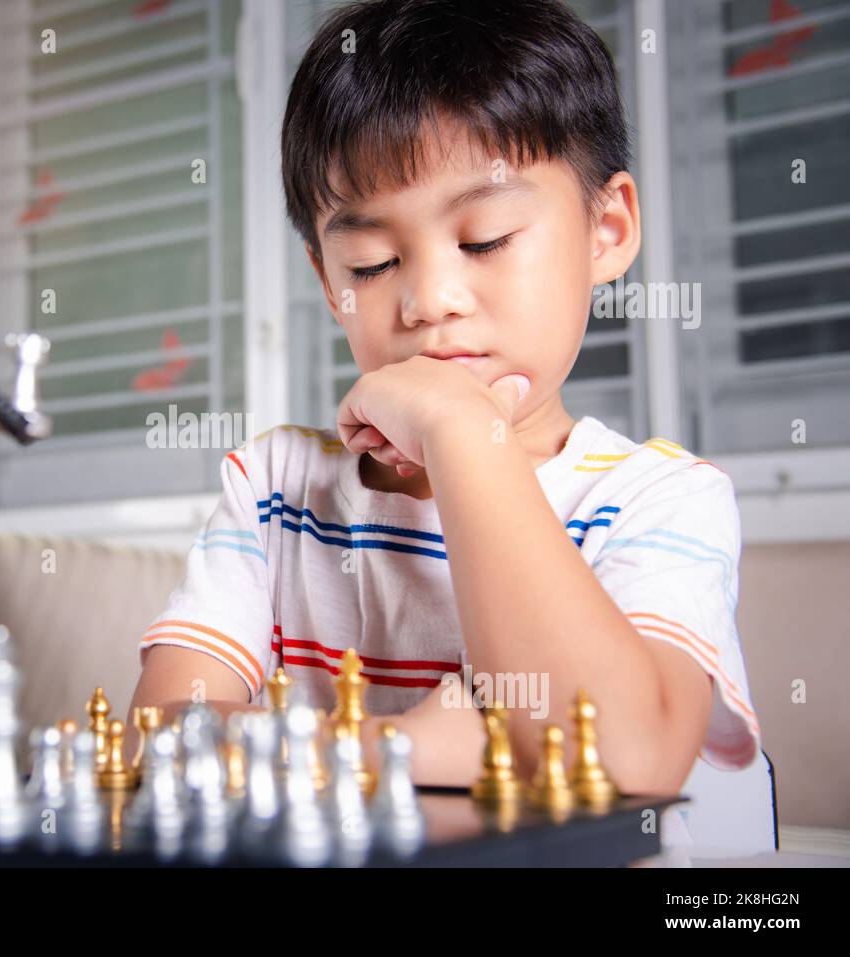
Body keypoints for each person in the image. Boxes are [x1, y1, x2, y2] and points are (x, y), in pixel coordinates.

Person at [126, 0, 760, 806]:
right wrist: (421, 740)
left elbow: (624, 753)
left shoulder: (661, 499)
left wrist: (464, 429)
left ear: (606, 229)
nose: (429, 298)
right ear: (329, 284)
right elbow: (160, 735)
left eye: (485, 238)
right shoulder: (275, 487)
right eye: (372, 262)